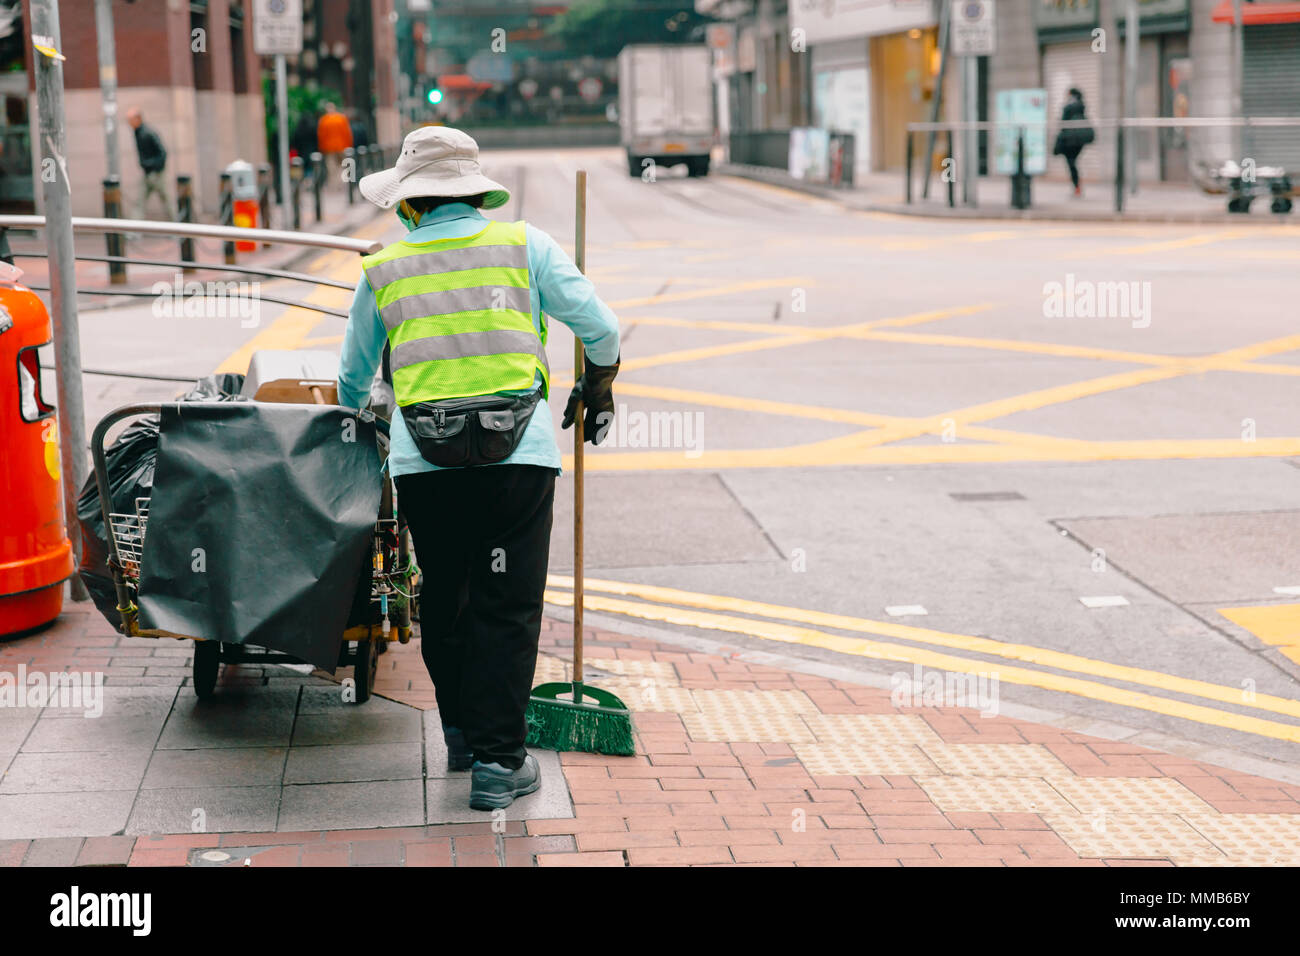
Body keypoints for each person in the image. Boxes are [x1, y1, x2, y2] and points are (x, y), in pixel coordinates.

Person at [338, 126, 621, 811]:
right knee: (506, 604)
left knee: (448, 597)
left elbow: (351, 382)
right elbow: (602, 331)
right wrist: (598, 386)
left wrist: (381, 414)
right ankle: (500, 763)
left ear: (411, 203)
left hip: (425, 467)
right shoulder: (526, 246)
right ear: (471, 191)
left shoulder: (384, 270)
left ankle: (463, 734)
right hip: (516, 461)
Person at [126, 108, 173, 219]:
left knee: (166, 201)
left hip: (156, 174)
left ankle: (179, 229)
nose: (129, 123)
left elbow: (163, 153)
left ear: (138, 119)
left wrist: (152, 166)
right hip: (147, 173)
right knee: (139, 202)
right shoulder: (138, 132)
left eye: (130, 119)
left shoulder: (148, 133)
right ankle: (133, 232)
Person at [1052, 88, 1094, 198]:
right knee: (1073, 163)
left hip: (1070, 140)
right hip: (1080, 139)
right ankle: (1077, 187)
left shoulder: (1069, 107)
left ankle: (1077, 187)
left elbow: (1063, 122)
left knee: (1071, 163)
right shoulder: (1081, 105)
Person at [316, 102, 353, 186]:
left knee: (331, 167)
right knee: (342, 165)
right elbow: (347, 133)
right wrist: (348, 145)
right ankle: (342, 182)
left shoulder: (324, 120)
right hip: (342, 146)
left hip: (329, 148)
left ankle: (334, 184)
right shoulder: (341, 119)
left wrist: (321, 148)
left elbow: (321, 135)